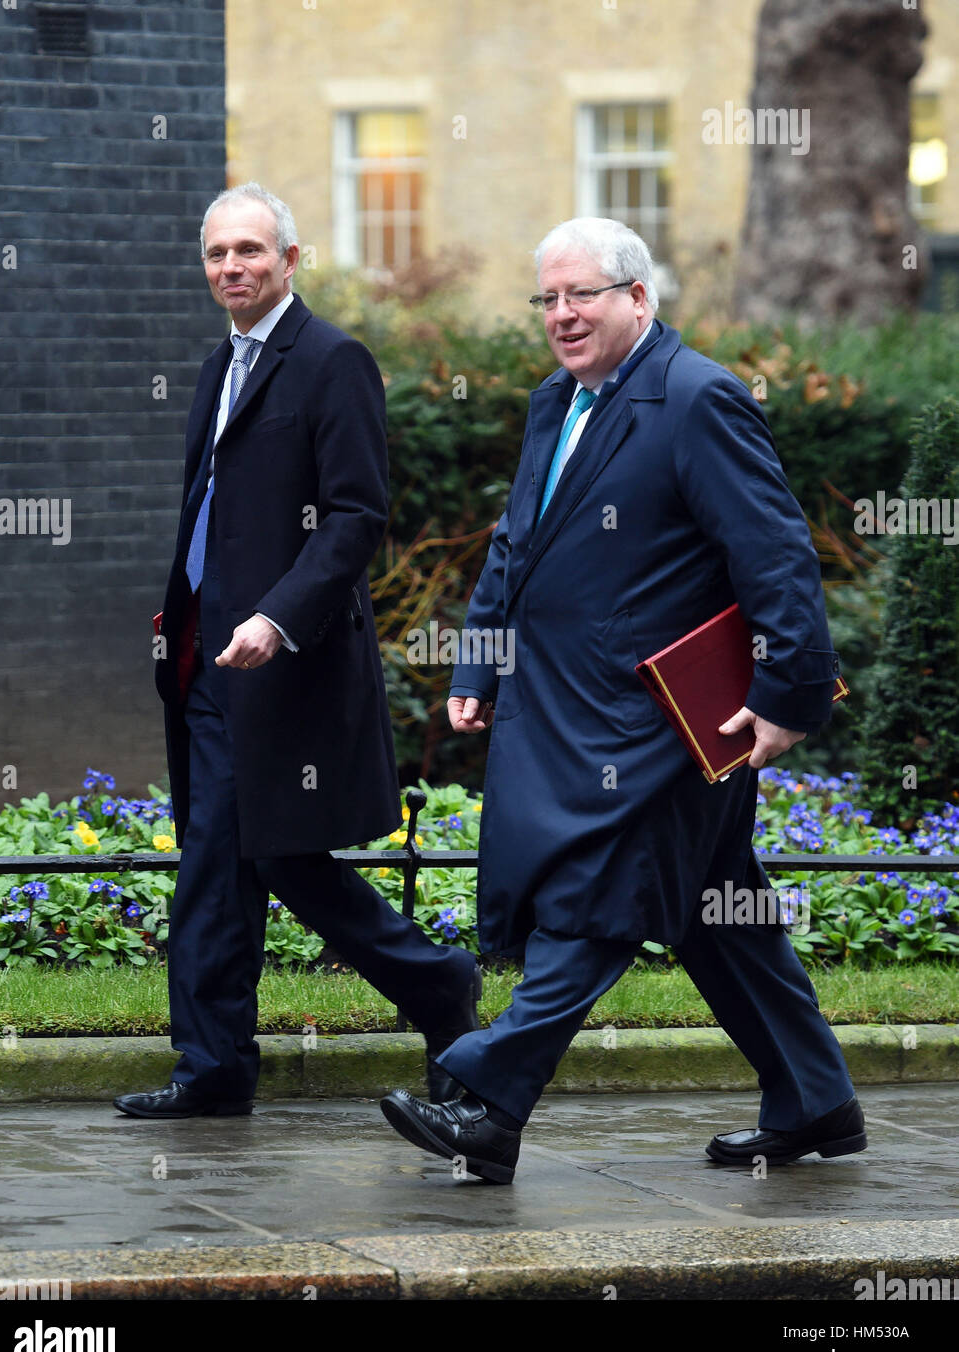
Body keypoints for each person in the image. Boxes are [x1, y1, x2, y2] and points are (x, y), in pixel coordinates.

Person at [380, 217, 866, 1183]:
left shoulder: (697, 400)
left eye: (582, 295)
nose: (561, 315)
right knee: (721, 917)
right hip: (563, 710)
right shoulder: (553, 401)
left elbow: (773, 557)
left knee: (592, 903)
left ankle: (485, 1100)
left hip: (665, 727)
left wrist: (788, 695)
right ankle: (816, 1102)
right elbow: (513, 545)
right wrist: (476, 663)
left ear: (637, 298)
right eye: (547, 299)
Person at [114, 183, 479, 1118]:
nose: (230, 267)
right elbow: (212, 512)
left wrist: (276, 618)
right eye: (216, 254)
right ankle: (216, 1069)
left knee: (267, 857)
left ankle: (436, 986)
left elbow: (356, 516)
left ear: (290, 260)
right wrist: (182, 613)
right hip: (202, 664)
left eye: (249, 251)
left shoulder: (331, 360)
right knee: (217, 864)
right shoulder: (214, 368)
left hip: (282, 666)